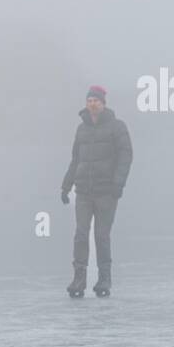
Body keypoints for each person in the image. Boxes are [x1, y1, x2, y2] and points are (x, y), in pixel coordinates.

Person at [61, 85, 132, 297]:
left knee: (102, 236)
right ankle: (79, 279)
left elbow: (126, 156)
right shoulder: (81, 129)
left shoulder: (117, 127)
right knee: (81, 234)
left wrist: (118, 184)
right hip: (83, 191)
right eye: (89, 100)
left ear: (103, 103)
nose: (92, 103)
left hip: (106, 192)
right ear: (86, 103)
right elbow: (76, 159)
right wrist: (66, 186)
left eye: (96, 100)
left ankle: (104, 279)